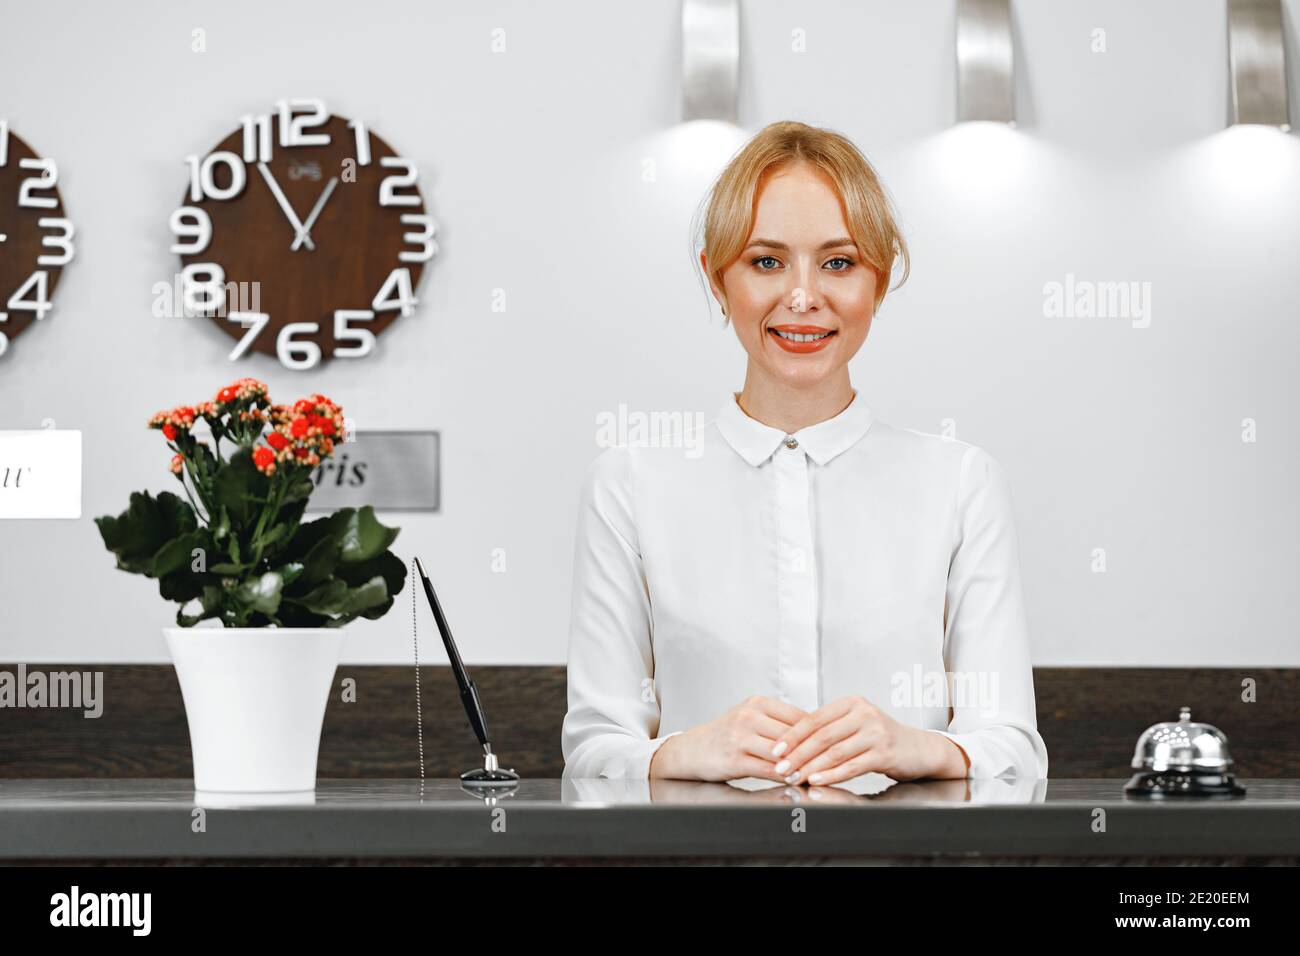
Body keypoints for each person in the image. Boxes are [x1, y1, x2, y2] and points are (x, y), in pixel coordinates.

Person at [561, 120, 1048, 787]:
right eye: (766, 262)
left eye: (838, 262)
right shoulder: (628, 483)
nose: (801, 296)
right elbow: (592, 752)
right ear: (716, 276)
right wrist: (677, 752)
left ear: (879, 279)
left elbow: (1013, 748)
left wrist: (924, 747)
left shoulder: (961, 482)